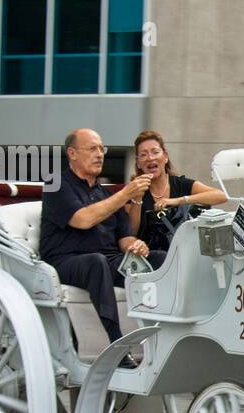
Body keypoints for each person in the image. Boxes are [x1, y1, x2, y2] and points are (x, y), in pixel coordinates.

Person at [40, 128, 159, 360]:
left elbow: (124, 237)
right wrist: (125, 194)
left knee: (159, 258)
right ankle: (117, 345)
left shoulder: (103, 193)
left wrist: (136, 246)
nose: (100, 154)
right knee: (97, 262)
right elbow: (83, 219)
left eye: (101, 149)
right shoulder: (56, 184)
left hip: (108, 258)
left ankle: (165, 335)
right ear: (72, 153)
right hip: (65, 260)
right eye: (92, 148)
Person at [126, 130, 227, 253]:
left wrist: (179, 200)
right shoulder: (133, 190)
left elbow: (221, 196)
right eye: (143, 154)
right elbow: (131, 232)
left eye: (155, 152)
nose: (150, 158)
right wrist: (137, 198)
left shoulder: (180, 184)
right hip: (151, 257)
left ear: (165, 157)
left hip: (185, 254)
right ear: (138, 163)